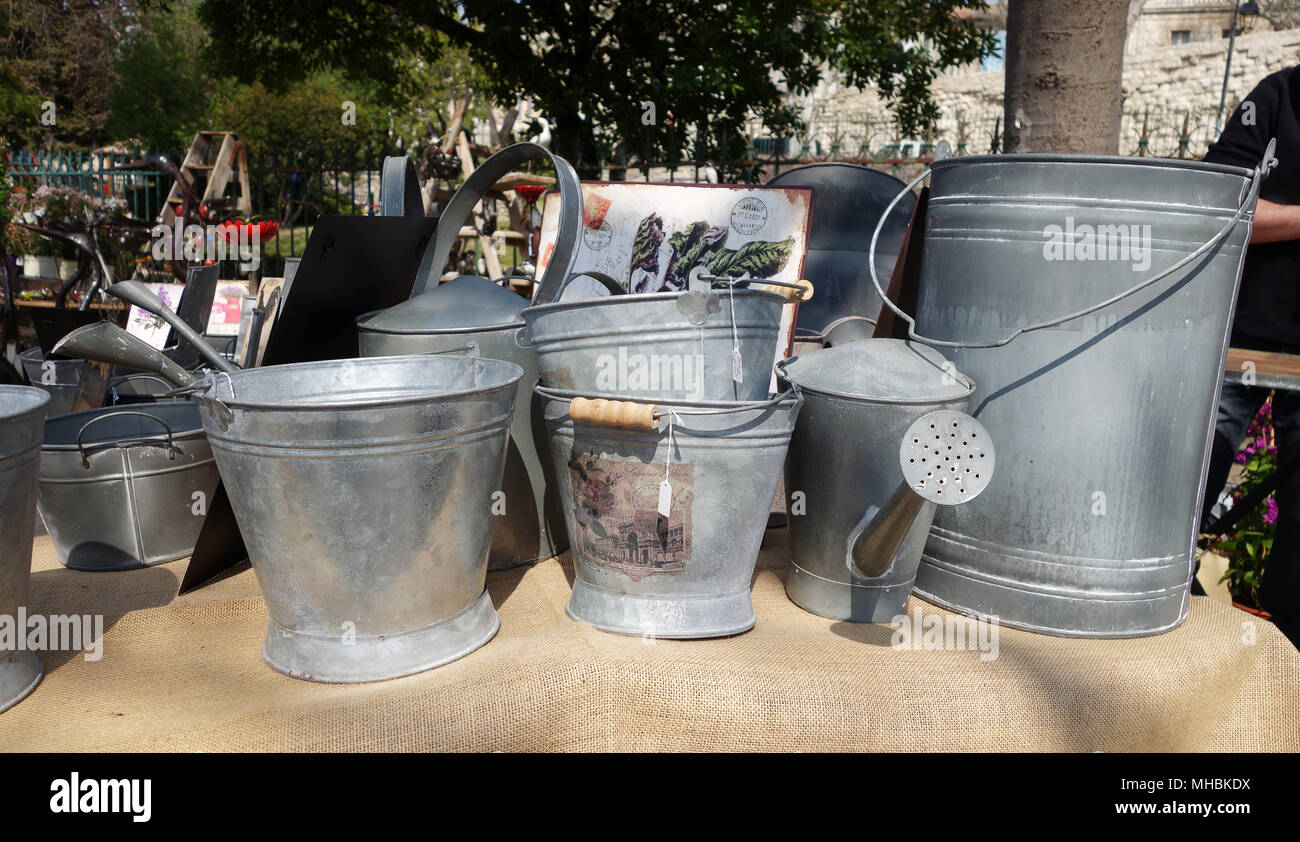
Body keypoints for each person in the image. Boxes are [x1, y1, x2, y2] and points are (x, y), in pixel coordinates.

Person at [1200, 64, 1300, 649]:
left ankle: (1284, 665)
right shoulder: (1277, 96)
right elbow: (1219, 206)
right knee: (1183, 494)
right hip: (1236, 341)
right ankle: (1158, 627)